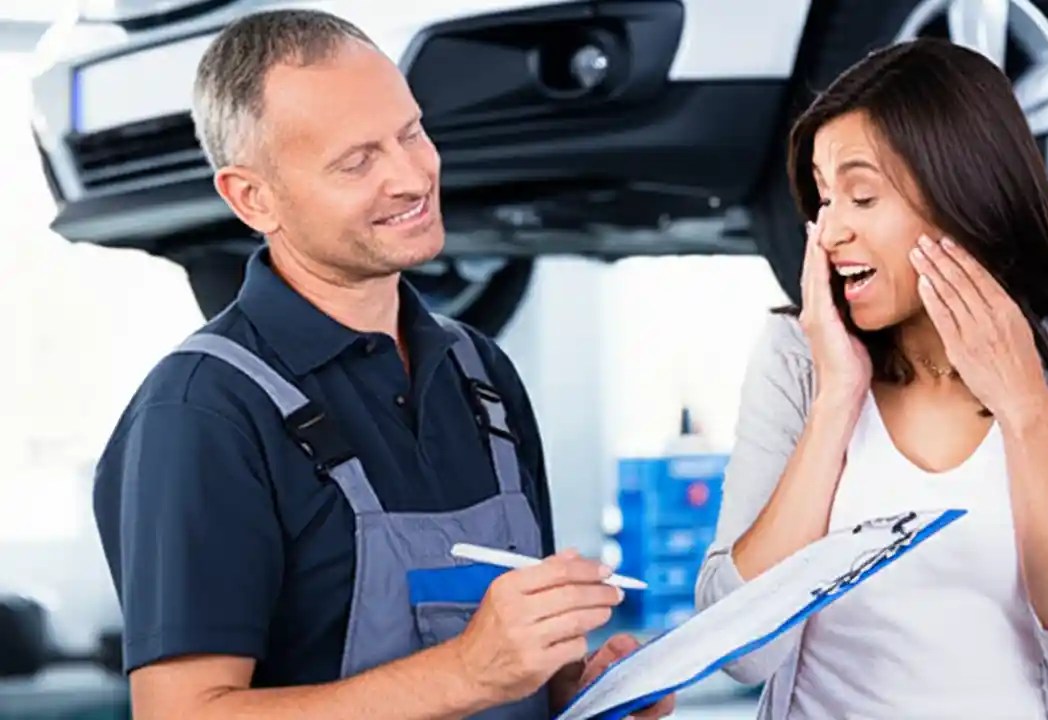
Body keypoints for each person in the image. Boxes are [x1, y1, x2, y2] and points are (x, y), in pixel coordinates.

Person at [91, 10, 674, 720]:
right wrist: (464, 672)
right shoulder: (200, 412)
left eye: (411, 132)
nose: (411, 175)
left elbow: (516, 677)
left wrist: (583, 690)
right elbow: (180, 714)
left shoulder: (480, 373)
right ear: (253, 197)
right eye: (357, 160)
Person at [695, 38, 1048, 719]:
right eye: (823, 199)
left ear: (963, 194)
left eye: (860, 196)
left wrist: (1025, 407)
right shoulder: (798, 357)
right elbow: (739, 649)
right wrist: (836, 398)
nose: (829, 233)